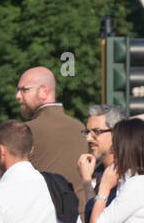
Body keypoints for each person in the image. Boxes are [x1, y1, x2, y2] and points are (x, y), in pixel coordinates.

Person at [16, 65, 91, 211]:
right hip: (79, 220)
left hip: (45, 222)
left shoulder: (27, 130)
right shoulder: (79, 127)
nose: (18, 96)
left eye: (25, 90)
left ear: (44, 91)